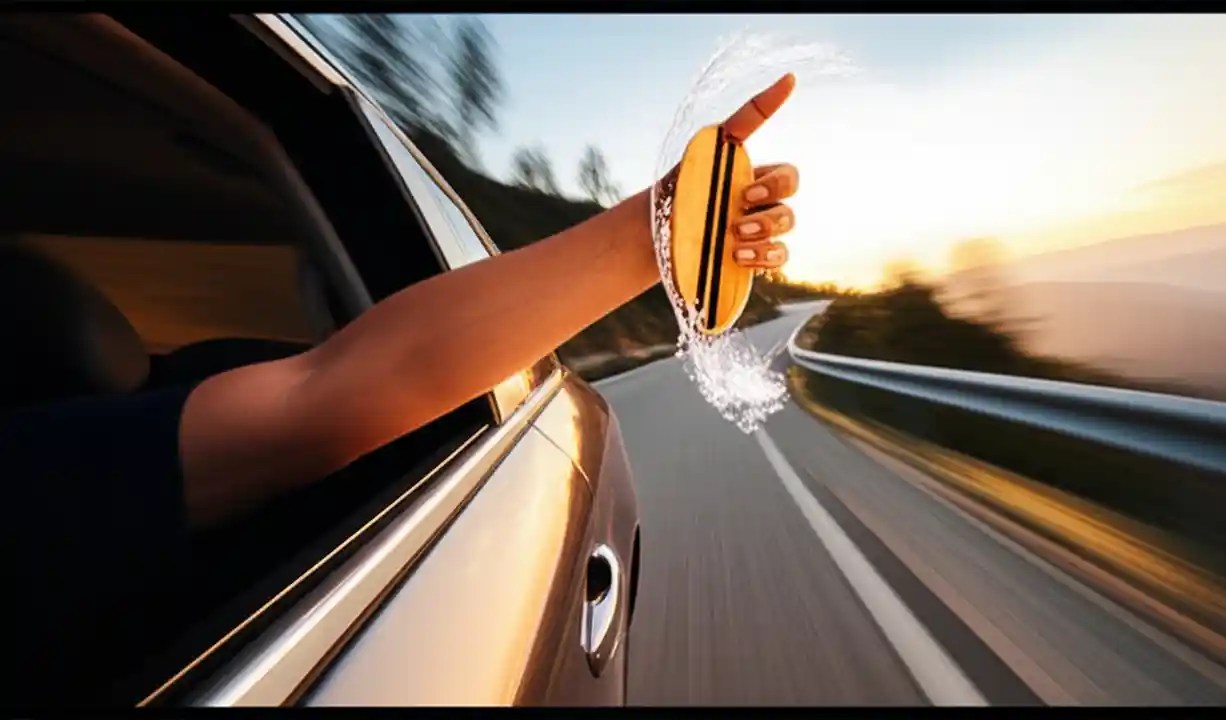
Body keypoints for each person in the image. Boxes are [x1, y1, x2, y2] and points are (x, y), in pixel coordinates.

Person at [3, 74, 800, 705]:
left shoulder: (37, 480)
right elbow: (328, 388)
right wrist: (656, 235)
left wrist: (657, 232)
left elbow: (331, 390)